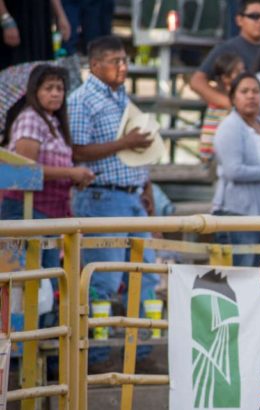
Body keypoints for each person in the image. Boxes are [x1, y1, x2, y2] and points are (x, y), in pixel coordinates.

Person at [67, 36, 160, 364]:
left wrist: (146, 189)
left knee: (144, 274)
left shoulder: (121, 97)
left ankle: (144, 350)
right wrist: (125, 142)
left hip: (131, 193)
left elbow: (136, 152)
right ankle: (97, 353)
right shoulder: (82, 100)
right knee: (103, 277)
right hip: (101, 195)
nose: (123, 66)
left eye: (124, 60)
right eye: (115, 61)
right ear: (95, 66)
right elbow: (77, 150)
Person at [1, 64, 94, 268]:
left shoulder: (54, 123)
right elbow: (24, 172)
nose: (55, 93)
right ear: (35, 92)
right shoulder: (30, 120)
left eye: (60, 88)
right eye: (48, 88)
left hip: (50, 214)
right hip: (27, 212)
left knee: (48, 281)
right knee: (27, 284)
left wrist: (75, 178)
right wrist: (70, 172)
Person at [211, 72, 260, 267]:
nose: (251, 96)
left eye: (256, 91)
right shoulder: (230, 127)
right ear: (233, 97)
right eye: (244, 91)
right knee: (242, 274)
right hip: (238, 214)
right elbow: (233, 171)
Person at [191, 0, 260, 110]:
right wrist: (229, 103)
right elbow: (197, 81)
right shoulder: (227, 48)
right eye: (254, 16)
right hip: (235, 117)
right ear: (239, 20)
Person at [199, 53, 245, 163]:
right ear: (225, 78)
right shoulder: (222, 99)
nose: (242, 74)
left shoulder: (220, 95)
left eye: (243, 70)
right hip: (216, 153)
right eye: (238, 72)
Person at [0, 0, 70, 70]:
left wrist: (60, 14)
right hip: (15, 16)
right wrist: (6, 19)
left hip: (40, 19)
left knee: (42, 69)